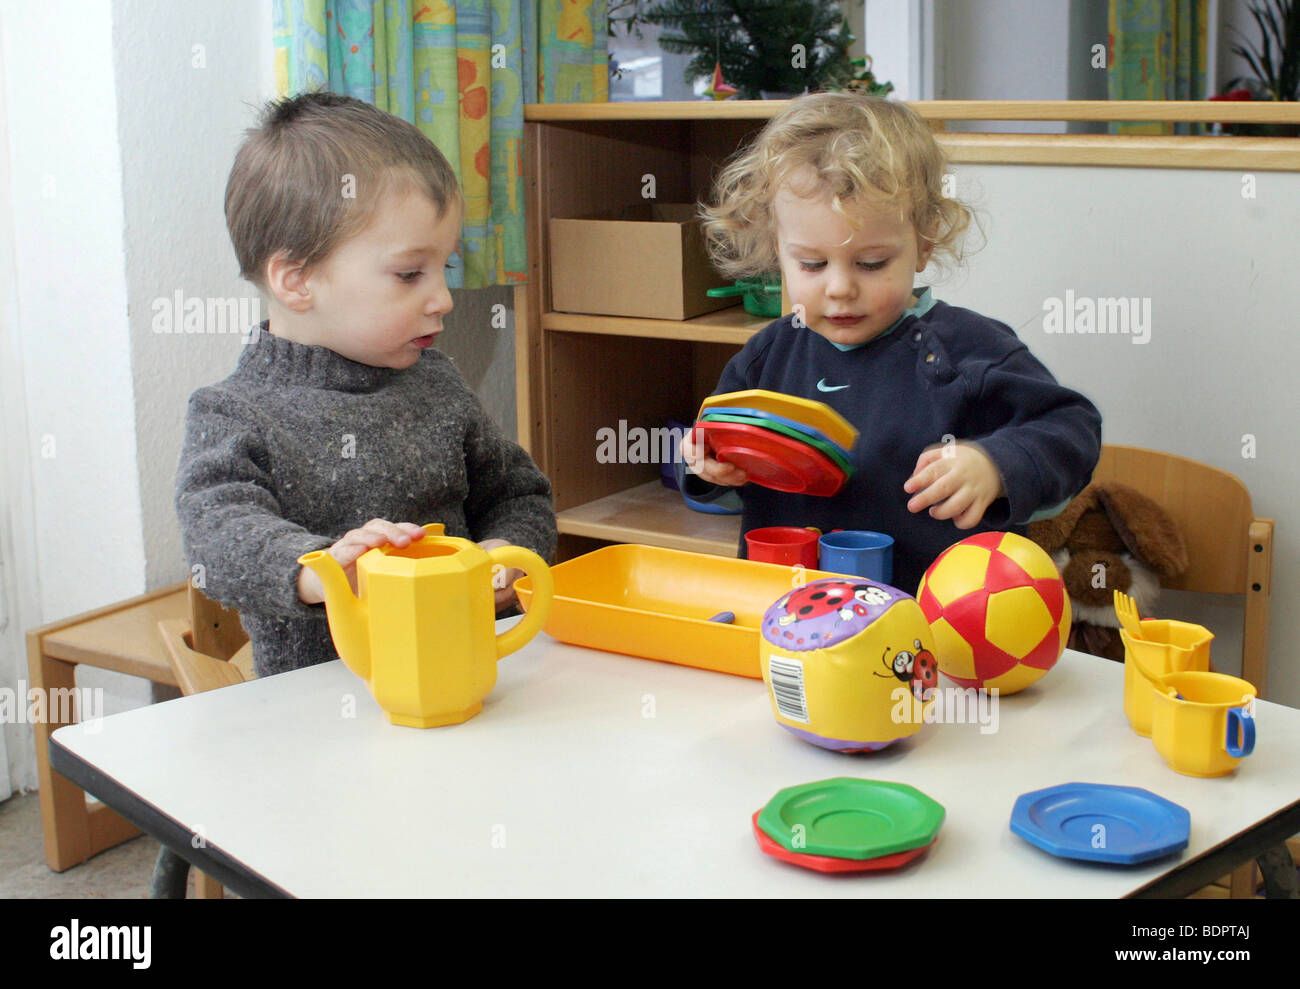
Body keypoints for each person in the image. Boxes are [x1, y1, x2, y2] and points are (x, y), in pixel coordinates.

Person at [175, 91, 556, 680]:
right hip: (320, 716)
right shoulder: (233, 412)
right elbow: (218, 535)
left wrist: (502, 561)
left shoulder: (437, 382)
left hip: (469, 674)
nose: (443, 299)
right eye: (410, 274)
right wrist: (322, 570)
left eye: (444, 268)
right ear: (297, 280)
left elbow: (518, 494)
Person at [682, 92, 1101, 593]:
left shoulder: (968, 351)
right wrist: (710, 464)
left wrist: (996, 464)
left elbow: (1072, 429)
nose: (839, 288)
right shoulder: (766, 356)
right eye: (812, 264)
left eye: (871, 262)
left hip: (938, 632)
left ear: (924, 244)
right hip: (792, 622)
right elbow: (723, 479)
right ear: (778, 249)